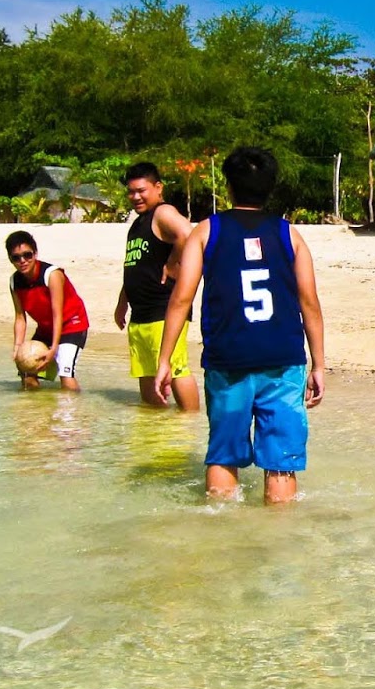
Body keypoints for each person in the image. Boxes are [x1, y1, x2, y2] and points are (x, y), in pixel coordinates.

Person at [156, 146, 326, 504]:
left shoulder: (206, 231)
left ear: (228, 186)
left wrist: (165, 360)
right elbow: (309, 302)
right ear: (270, 187)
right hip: (283, 359)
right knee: (281, 461)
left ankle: (223, 538)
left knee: (224, 453)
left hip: (227, 359)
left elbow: (181, 299)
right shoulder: (289, 235)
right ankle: (279, 539)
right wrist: (319, 364)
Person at [113, 162, 200, 411]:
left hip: (164, 309)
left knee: (176, 367)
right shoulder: (138, 223)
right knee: (146, 373)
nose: (135, 196)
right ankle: (156, 427)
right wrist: (122, 302)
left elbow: (188, 233)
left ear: (158, 187)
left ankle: (190, 419)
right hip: (141, 313)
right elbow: (134, 265)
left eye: (141, 190)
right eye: (131, 191)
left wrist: (174, 262)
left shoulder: (163, 213)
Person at [7, 231, 90, 392]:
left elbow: (57, 313)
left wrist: (53, 348)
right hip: (46, 328)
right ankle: (38, 412)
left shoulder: (52, 275)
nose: (22, 261)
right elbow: (19, 318)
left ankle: (74, 414)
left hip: (71, 324)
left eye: (27, 255)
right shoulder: (14, 282)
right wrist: (17, 347)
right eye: (16, 258)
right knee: (26, 372)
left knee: (66, 374)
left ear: (35, 253)